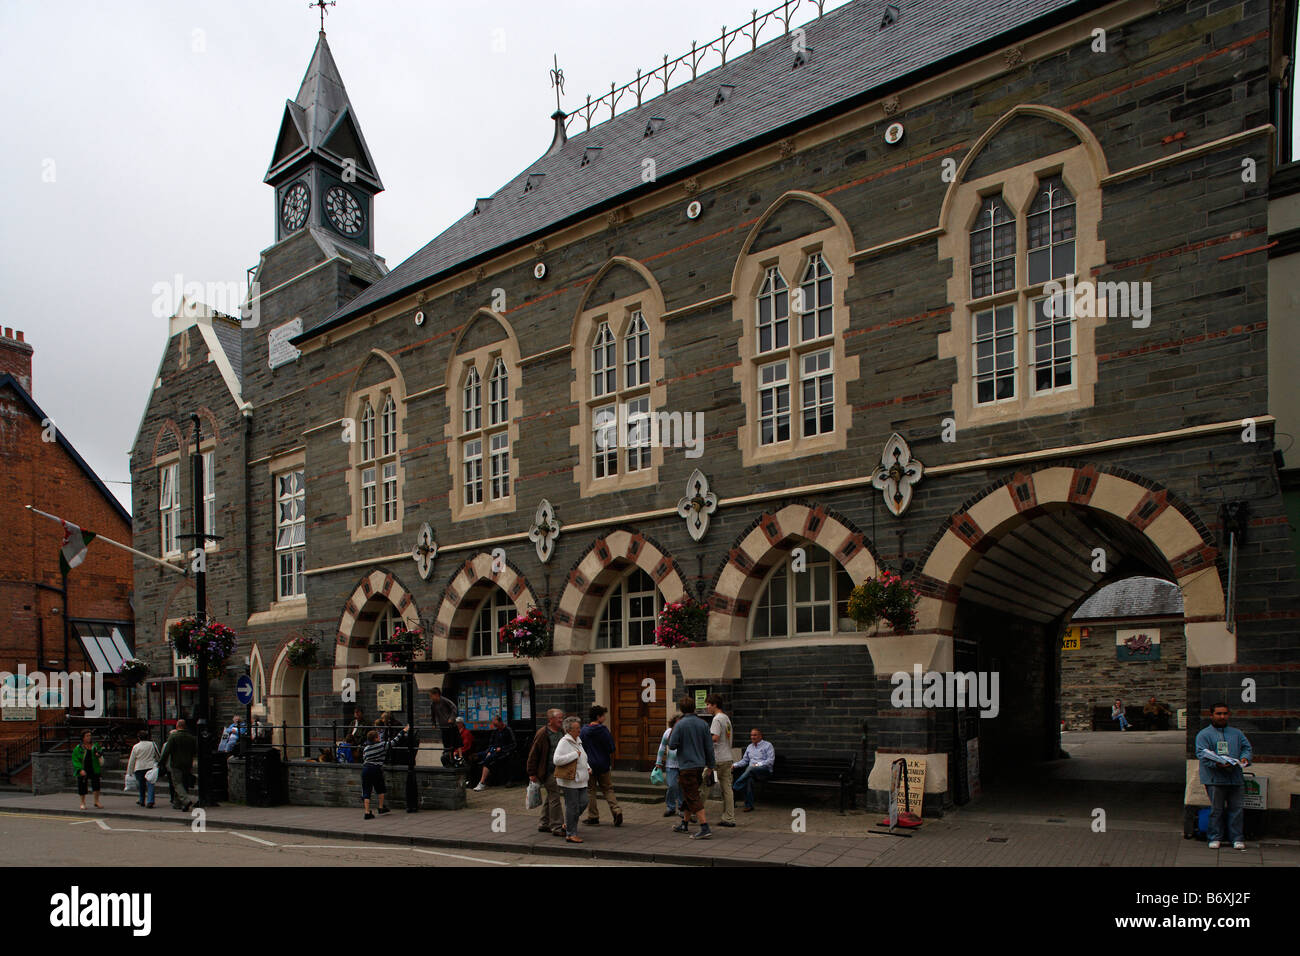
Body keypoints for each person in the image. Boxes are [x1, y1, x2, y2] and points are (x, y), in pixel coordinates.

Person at [1195, 702, 1253, 850]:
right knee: (1217, 809)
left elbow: (1247, 748)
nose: (1222, 716)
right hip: (1215, 778)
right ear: (1211, 715)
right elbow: (1201, 753)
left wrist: (1245, 758)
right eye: (1218, 713)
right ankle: (1215, 837)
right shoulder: (1204, 734)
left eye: (1225, 713)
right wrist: (1217, 764)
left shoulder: (1236, 733)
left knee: (1237, 809)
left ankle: (1237, 838)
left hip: (1235, 777)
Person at [667, 696, 715, 840]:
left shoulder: (680, 724)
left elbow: (672, 744)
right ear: (694, 707)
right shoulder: (703, 724)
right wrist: (711, 765)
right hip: (700, 765)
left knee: (692, 796)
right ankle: (684, 824)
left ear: (681, 709)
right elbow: (709, 747)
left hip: (686, 765)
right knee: (689, 793)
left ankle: (704, 827)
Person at [526, 708, 566, 836]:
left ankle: (544, 823)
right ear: (550, 720)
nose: (561, 720)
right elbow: (534, 754)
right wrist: (531, 773)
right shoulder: (543, 733)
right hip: (548, 771)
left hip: (559, 770)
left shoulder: (562, 731)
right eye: (559, 718)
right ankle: (557, 826)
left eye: (562, 717)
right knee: (555, 797)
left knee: (550, 797)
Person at [580, 705, 622, 826]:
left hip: (589, 765)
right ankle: (616, 811)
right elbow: (611, 748)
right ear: (598, 717)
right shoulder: (603, 730)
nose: (605, 717)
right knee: (608, 789)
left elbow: (581, 747)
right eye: (603, 715)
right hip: (603, 764)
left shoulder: (584, 731)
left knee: (590, 791)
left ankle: (593, 816)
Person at [552, 715, 591, 844]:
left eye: (579, 727)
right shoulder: (564, 742)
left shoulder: (578, 740)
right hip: (570, 781)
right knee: (572, 807)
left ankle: (568, 824)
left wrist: (588, 767)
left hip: (581, 779)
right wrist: (574, 754)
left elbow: (583, 757)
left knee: (584, 802)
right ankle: (571, 834)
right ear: (569, 730)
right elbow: (556, 760)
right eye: (577, 728)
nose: (579, 730)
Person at [361, 725, 407, 819]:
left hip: (365, 769)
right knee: (380, 788)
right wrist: (403, 731)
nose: (380, 737)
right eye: (378, 736)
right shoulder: (382, 745)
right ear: (375, 738)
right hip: (376, 769)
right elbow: (394, 742)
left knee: (366, 790)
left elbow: (364, 758)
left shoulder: (366, 748)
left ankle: (367, 812)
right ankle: (381, 807)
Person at [706, 694, 736, 828]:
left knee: (703, 785)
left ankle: (693, 814)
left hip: (717, 759)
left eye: (708, 705)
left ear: (714, 705)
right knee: (727, 789)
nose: (707, 707)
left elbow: (715, 738)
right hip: (727, 758)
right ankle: (729, 818)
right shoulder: (726, 718)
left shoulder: (717, 719)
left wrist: (704, 741)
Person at [158, 719, 198, 812]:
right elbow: (195, 751)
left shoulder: (174, 736)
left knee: (177, 783)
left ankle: (185, 800)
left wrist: (161, 762)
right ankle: (177, 803)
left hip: (176, 763)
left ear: (177, 726)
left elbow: (167, 751)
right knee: (184, 782)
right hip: (188, 763)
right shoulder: (191, 737)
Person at [732, 728, 776, 812]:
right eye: (751, 735)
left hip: (764, 771)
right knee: (749, 779)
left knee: (751, 768)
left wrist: (757, 765)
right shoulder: (749, 747)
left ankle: (736, 786)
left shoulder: (768, 745)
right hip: (752, 772)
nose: (752, 737)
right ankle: (749, 805)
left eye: (755, 735)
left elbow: (770, 761)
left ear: (760, 736)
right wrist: (734, 765)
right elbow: (745, 761)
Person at [472, 714, 516, 791]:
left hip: (503, 753)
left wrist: (502, 748)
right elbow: (491, 743)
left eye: (496, 724)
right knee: (474, 756)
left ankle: (482, 783)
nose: (495, 726)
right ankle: (472, 780)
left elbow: (513, 744)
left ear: (501, 722)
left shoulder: (508, 730)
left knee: (488, 760)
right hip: (493, 750)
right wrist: (489, 751)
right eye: (494, 725)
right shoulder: (495, 732)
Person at [655, 714, 682, 818]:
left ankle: (681, 807)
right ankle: (670, 807)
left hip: (683, 764)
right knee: (672, 785)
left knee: (681, 787)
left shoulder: (684, 733)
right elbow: (662, 747)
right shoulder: (668, 732)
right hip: (671, 765)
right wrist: (658, 762)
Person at [125, 731, 160, 809]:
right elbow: (157, 755)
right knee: (150, 783)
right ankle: (150, 801)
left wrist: (129, 771)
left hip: (139, 767)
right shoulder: (152, 744)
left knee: (141, 785)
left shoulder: (136, 746)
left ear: (139, 738)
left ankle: (141, 800)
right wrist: (158, 763)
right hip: (150, 766)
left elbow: (132, 760)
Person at [72, 731, 104, 811]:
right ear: (83, 738)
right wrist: (79, 769)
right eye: (87, 736)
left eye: (90, 735)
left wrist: (99, 754)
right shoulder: (78, 748)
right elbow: (75, 759)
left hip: (94, 767)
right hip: (84, 768)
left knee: (96, 785)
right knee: (82, 786)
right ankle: (82, 803)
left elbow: (101, 752)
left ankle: (96, 801)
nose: (89, 737)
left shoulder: (95, 746)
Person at [429, 687, 459, 755]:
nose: (431, 697)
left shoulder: (445, 700)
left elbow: (454, 708)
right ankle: (447, 756)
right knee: (446, 743)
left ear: (436, 694)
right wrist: (433, 723)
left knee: (452, 743)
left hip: (450, 726)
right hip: (443, 726)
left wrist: (452, 718)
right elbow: (432, 714)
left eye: (431, 696)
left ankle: (453, 756)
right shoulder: (433, 704)